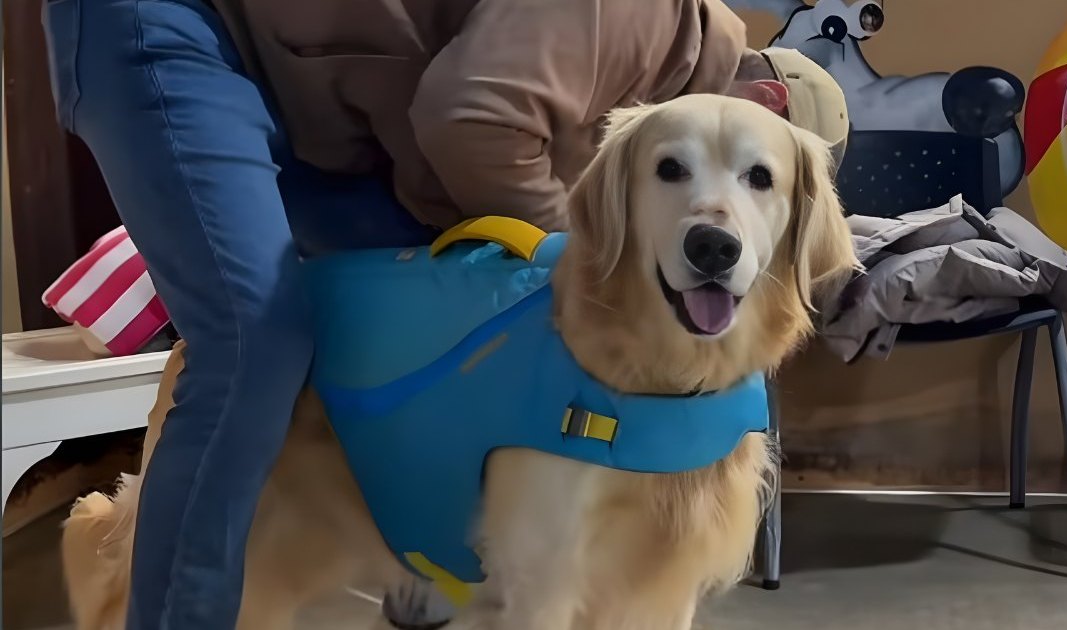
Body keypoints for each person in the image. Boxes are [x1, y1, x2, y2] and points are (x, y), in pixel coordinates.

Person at [40, 0, 847, 627]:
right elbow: (472, 121)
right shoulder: (641, 15)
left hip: (316, 78)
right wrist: (588, 271)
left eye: (762, 186)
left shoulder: (644, 81)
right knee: (256, 341)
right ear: (765, 96)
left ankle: (434, 572)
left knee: (423, 330)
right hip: (170, 24)